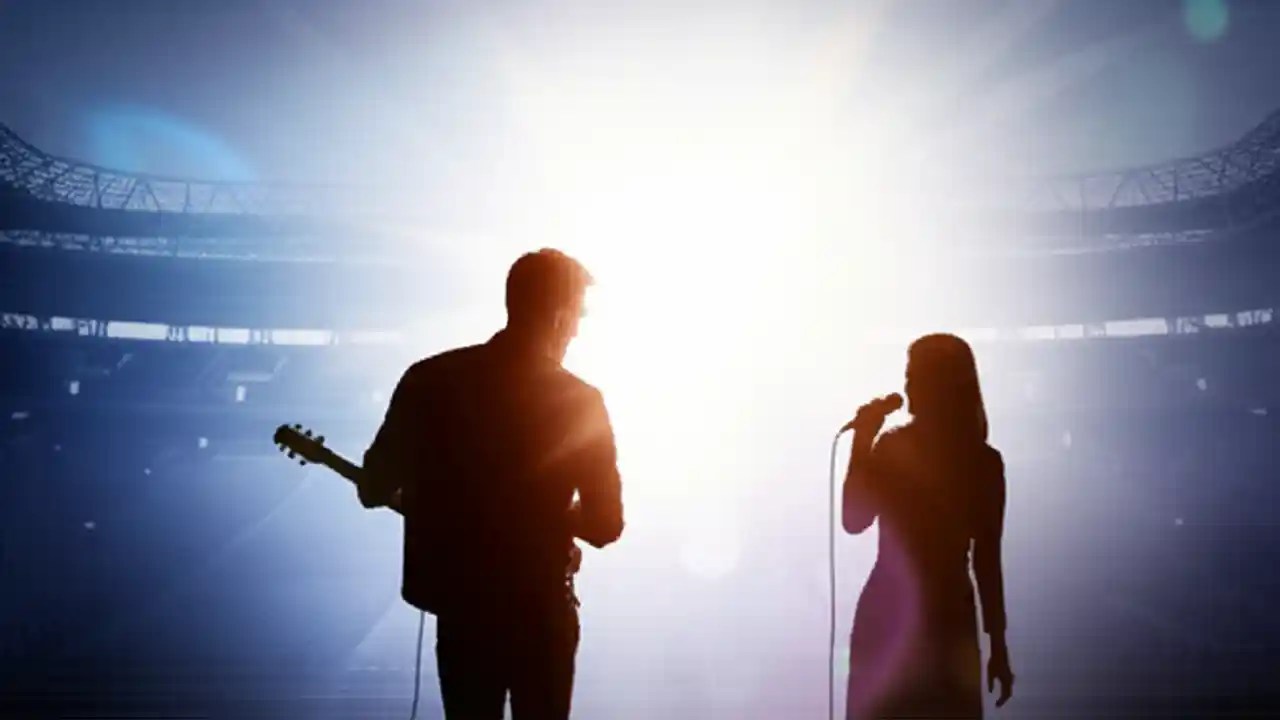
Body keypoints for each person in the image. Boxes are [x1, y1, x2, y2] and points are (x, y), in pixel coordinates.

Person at [358, 248, 624, 719]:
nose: (578, 330)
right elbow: (605, 525)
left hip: (464, 612)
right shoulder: (580, 401)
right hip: (541, 612)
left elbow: (373, 485)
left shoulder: (429, 380)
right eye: (578, 315)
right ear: (559, 315)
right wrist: (550, 513)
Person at [842, 333, 1014, 719]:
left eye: (914, 377)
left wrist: (864, 441)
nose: (907, 388)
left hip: (893, 612)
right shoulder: (984, 463)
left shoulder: (895, 449)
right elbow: (987, 562)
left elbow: (854, 520)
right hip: (947, 616)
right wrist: (997, 645)